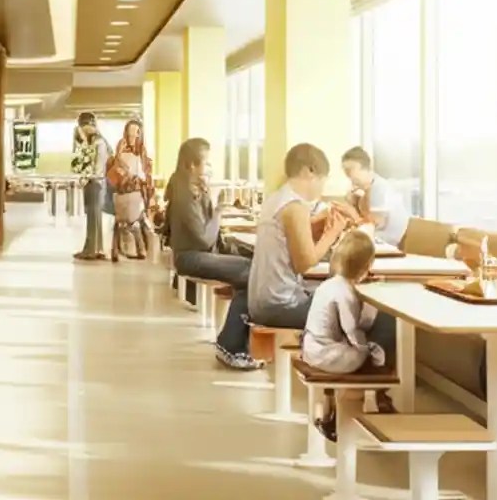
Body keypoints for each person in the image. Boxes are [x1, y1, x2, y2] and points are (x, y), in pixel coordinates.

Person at [250, 144, 395, 354]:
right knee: (383, 317)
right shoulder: (295, 207)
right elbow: (304, 263)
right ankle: (366, 375)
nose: (322, 188)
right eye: (323, 179)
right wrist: (332, 233)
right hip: (281, 306)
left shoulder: (276, 199)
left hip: (264, 302)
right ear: (310, 171)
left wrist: (318, 226)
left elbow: (290, 240)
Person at [166, 138, 262, 370]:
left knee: (253, 270)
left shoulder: (192, 190)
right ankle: (230, 345)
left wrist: (209, 198)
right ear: (191, 165)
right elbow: (205, 238)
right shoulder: (183, 195)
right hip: (190, 257)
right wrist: (218, 209)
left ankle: (237, 341)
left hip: (197, 254)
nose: (208, 169)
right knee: (252, 274)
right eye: (206, 163)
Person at [301, 229, 395, 441]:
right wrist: (369, 350)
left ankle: (345, 406)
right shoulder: (346, 293)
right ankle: (382, 391)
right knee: (384, 335)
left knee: (372, 341)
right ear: (367, 265)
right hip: (329, 356)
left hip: (311, 348)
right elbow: (352, 330)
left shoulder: (329, 285)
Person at [341, 147, 411, 247]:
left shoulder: (379, 188)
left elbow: (374, 224)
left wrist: (352, 212)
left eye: (350, 170)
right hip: (378, 237)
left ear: (366, 168)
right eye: (345, 170)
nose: (348, 174)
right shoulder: (364, 188)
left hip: (387, 241)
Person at [108, 119, 153, 260]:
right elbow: (116, 163)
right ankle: (115, 250)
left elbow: (146, 170)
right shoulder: (121, 145)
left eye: (136, 130)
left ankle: (141, 249)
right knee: (119, 220)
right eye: (130, 130)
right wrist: (124, 172)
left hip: (136, 189)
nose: (133, 134)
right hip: (121, 188)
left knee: (136, 219)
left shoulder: (142, 149)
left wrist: (147, 186)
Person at [72, 112, 111, 260]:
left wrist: (86, 176)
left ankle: (92, 250)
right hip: (92, 183)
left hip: (96, 184)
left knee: (94, 218)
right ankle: (94, 247)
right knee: (93, 217)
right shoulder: (90, 142)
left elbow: (98, 169)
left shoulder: (99, 143)